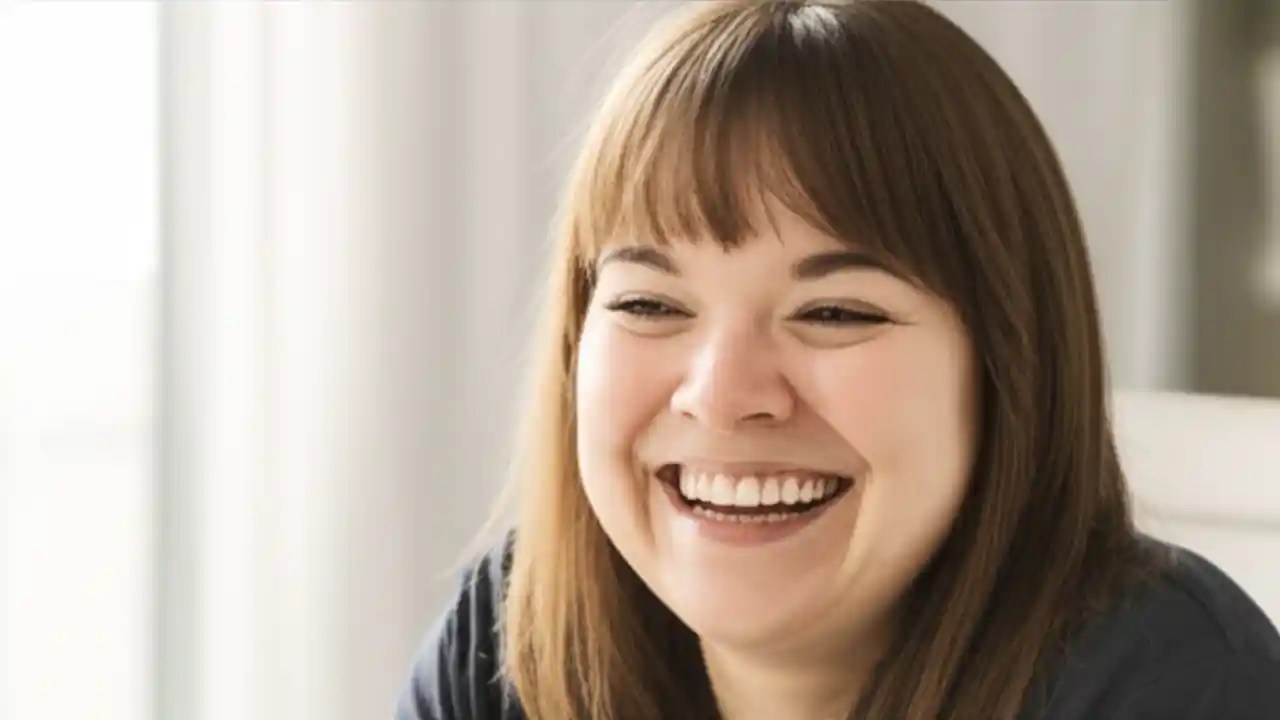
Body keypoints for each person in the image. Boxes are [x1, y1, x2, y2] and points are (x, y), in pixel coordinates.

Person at [396, 1, 1280, 718]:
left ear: (1008, 368)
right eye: (650, 304)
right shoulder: (508, 650)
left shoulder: (1177, 685)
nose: (721, 394)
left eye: (835, 311)